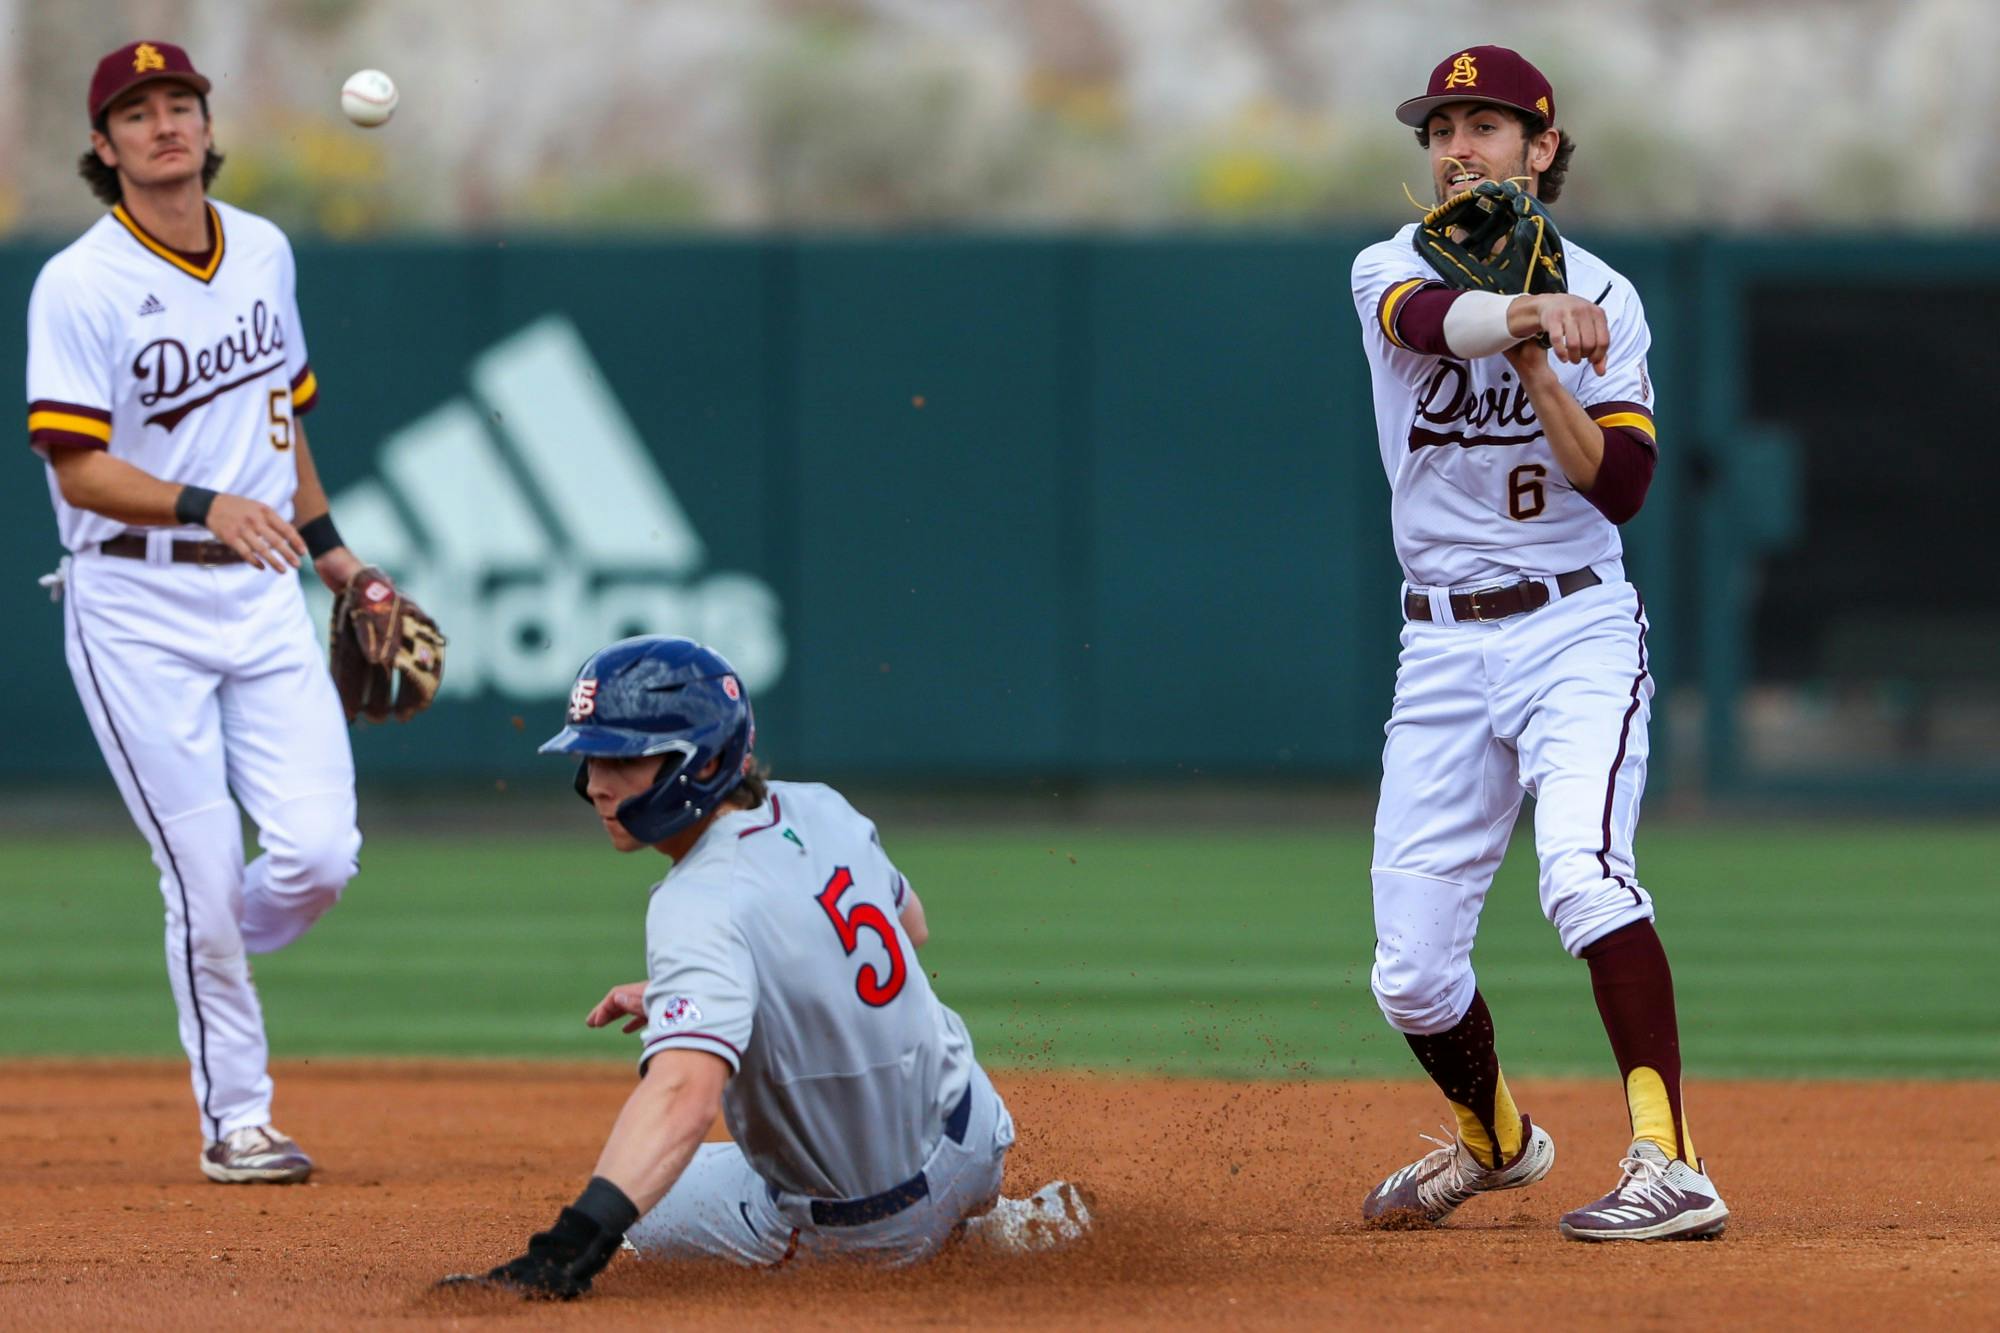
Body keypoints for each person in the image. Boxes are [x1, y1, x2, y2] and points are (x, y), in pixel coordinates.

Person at [1347, 45, 1728, 1241]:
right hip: (1438, 644)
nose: (1455, 148)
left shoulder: (1604, 296)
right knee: (1408, 972)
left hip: (1573, 625)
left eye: (1483, 126)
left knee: (1582, 875)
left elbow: (1618, 486)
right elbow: (1426, 318)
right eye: (1439, 130)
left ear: (1541, 148)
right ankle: (1496, 1142)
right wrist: (1521, 314)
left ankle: (1670, 1163)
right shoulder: (1384, 266)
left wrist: (1537, 361)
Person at [442, 636, 1087, 1300]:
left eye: (624, 759)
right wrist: (731, 983)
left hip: (874, 1226)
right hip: (978, 1134)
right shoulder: (819, 806)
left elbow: (683, 1096)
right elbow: (909, 926)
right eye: (590, 758)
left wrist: (567, 1250)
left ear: (706, 760)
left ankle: (944, 1244)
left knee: (649, 1206)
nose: (597, 785)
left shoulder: (698, 899)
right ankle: (999, 1223)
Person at [28, 41, 391, 1183]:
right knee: (199, 868)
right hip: (132, 600)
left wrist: (335, 557)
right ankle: (239, 1119)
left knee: (320, 856)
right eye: (137, 112)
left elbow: (283, 423)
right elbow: (77, 466)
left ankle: (211, 930)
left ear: (205, 122)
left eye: (179, 102)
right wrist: (204, 504)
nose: (164, 123)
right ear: (104, 145)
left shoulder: (264, 250)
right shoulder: (79, 282)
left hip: (262, 587)